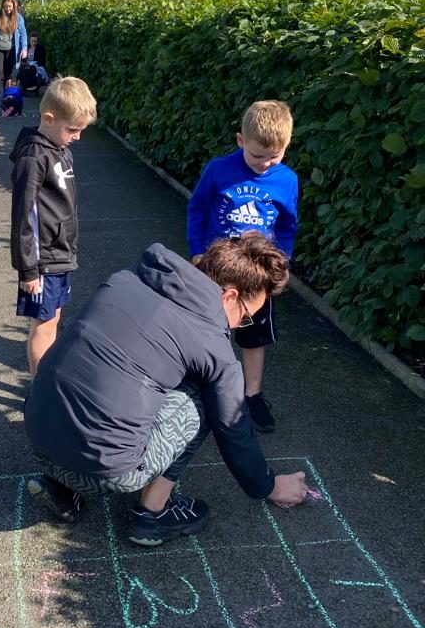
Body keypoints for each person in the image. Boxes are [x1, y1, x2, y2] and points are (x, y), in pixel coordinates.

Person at [24, 233, 309, 545]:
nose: (238, 326)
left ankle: (63, 487)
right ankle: (153, 513)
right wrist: (269, 486)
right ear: (228, 297)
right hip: (106, 469)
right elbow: (233, 428)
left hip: (38, 435)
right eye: (244, 318)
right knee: (206, 396)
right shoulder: (211, 344)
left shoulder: (124, 280)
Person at [187, 100, 298, 434]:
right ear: (240, 141)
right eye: (256, 156)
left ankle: (252, 394)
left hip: (257, 273)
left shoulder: (287, 180)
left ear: (286, 146)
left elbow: (288, 226)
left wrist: (283, 261)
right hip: (216, 268)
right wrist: (196, 252)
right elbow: (197, 211)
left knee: (253, 336)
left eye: (274, 156)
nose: (264, 164)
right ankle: (198, 391)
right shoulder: (218, 170)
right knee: (208, 330)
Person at [10, 76, 97, 375]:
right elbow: (24, 216)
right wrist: (28, 268)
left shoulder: (60, 149)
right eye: (72, 129)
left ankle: (46, 379)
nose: (77, 137)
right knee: (43, 325)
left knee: (53, 319)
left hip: (61, 254)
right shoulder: (33, 157)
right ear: (48, 118)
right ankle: (40, 389)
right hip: (43, 260)